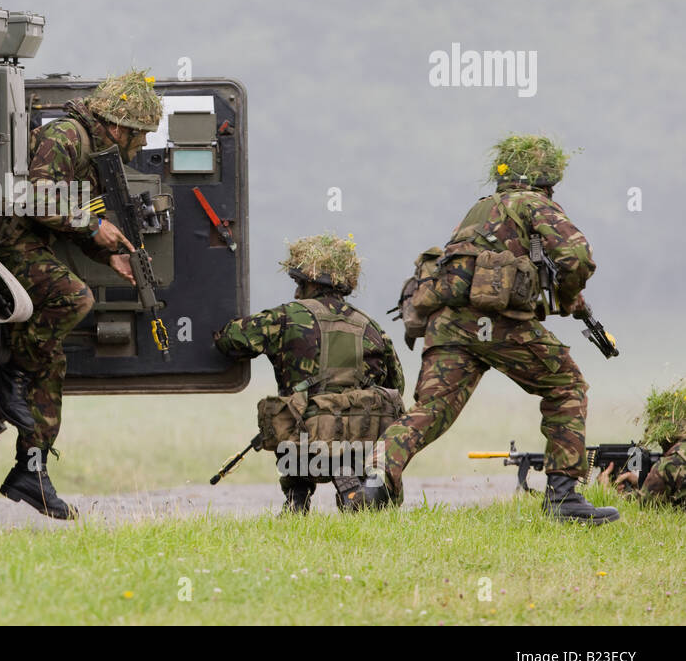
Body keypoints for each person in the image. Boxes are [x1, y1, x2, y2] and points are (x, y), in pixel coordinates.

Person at [365, 135, 619, 524]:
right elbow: (576, 256)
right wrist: (568, 296)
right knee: (566, 386)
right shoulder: (533, 203)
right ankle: (563, 497)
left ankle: (373, 479)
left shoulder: (478, 210)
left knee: (432, 409)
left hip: (448, 325)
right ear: (544, 176)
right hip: (497, 325)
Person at [0, 69, 162, 519]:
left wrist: (106, 255)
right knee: (75, 298)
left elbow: (68, 213)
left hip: (30, 242)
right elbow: (36, 200)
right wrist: (95, 226)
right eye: (138, 135)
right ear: (119, 125)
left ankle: (30, 470)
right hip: (4, 238)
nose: (140, 146)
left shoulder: (94, 151)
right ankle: (12, 376)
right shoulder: (67, 135)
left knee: (52, 360)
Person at [213, 234, 405, 514]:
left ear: (313, 283)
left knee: (285, 411)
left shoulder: (287, 318)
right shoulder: (372, 327)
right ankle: (355, 490)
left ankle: (297, 498)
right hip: (363, 440)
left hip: (303, 441)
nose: (296, 293)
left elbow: (229, 340)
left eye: (300, 284)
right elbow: (396, 385)